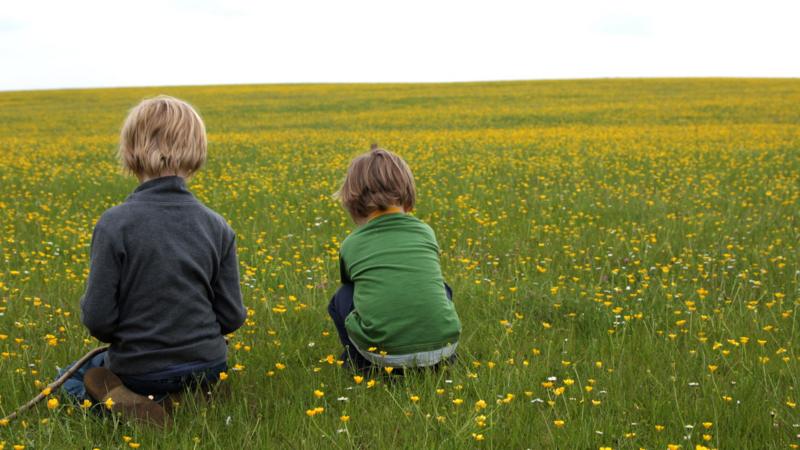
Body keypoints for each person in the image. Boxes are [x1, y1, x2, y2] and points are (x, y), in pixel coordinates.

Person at [59, 95, 246, 426]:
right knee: (114, 369)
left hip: (141, 369)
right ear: (197, 152)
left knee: (69, 379)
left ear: (130, 152)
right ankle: (186, 397)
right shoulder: (217, 225)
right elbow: (231, 317)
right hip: (208, 366)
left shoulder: (115, 224)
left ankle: (126, 404)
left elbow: (98, 320)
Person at [328, 145, 461, 371]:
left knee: (342, 297)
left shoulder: (352, 243)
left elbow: (351, 284)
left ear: (353, 201)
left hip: (384, 355)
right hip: (445, 346)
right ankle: (440, 361)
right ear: (407, 194)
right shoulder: (425, 231)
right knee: (442, 287)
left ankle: (358, 362)